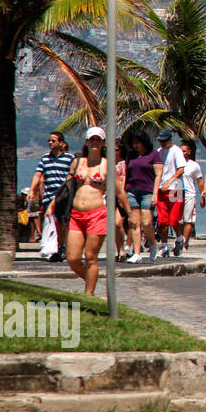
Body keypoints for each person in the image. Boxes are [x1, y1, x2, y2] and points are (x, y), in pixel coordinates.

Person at [48, 127, 130, 296]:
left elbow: (119, 191)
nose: (94, 142)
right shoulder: (78, 163)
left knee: (91, 256)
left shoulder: (108, 165)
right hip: (77, 215)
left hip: (97, 214)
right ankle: (90, 280)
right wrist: (53, 203)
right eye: (91, 139)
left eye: (98, 140)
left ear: (103, 144)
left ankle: (89, 294)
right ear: (86, 142)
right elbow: (66, 187)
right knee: (72, 258)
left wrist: (130, 213)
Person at [29, 133, 72, 262]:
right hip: (49, 196)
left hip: (64, 195)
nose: (50, 143)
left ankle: (64, 247)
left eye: (53, 141)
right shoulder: (44, 158)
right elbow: (37, 175)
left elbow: (72, 176)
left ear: (61, 143)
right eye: (49, 140)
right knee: (54, 222)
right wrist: (32, 190)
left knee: (65, 223)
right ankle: (58, 247)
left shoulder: (69, 158)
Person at [122, 132, 160, 263]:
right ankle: (137, 253)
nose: (135, 145)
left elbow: (158, 175)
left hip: (147, 192)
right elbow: (126, 173)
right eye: (134, 143)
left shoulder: (154, 154)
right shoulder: (131, 155)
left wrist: (155, 194)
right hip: (131, 191)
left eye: (137, 142)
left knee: (147, 222)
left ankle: (153, 244)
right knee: (134, 223)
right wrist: (123, 191)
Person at [153, 130, 187, 259]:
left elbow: (181, 170)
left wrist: (169, 182)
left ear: (170, 140)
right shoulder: (158, 151)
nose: (161, 143)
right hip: (161, 190)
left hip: (175, 189)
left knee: (174, 219)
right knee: (162, 220)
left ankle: (179, 239)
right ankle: (164, 246)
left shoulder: (176, 151)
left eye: (164, 140)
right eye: (160, 141)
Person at [177, 141, 203, 255]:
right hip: (176, 193)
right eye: (180, 151)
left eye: (184, 151)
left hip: (190, 194)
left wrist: (202, 195)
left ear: (189, 152)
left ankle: (184, 242)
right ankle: (179, 238)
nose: (182, 153)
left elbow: (199, 181)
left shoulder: (194, 165)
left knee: (188, 220)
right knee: (177, 220)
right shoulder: (175, 163)